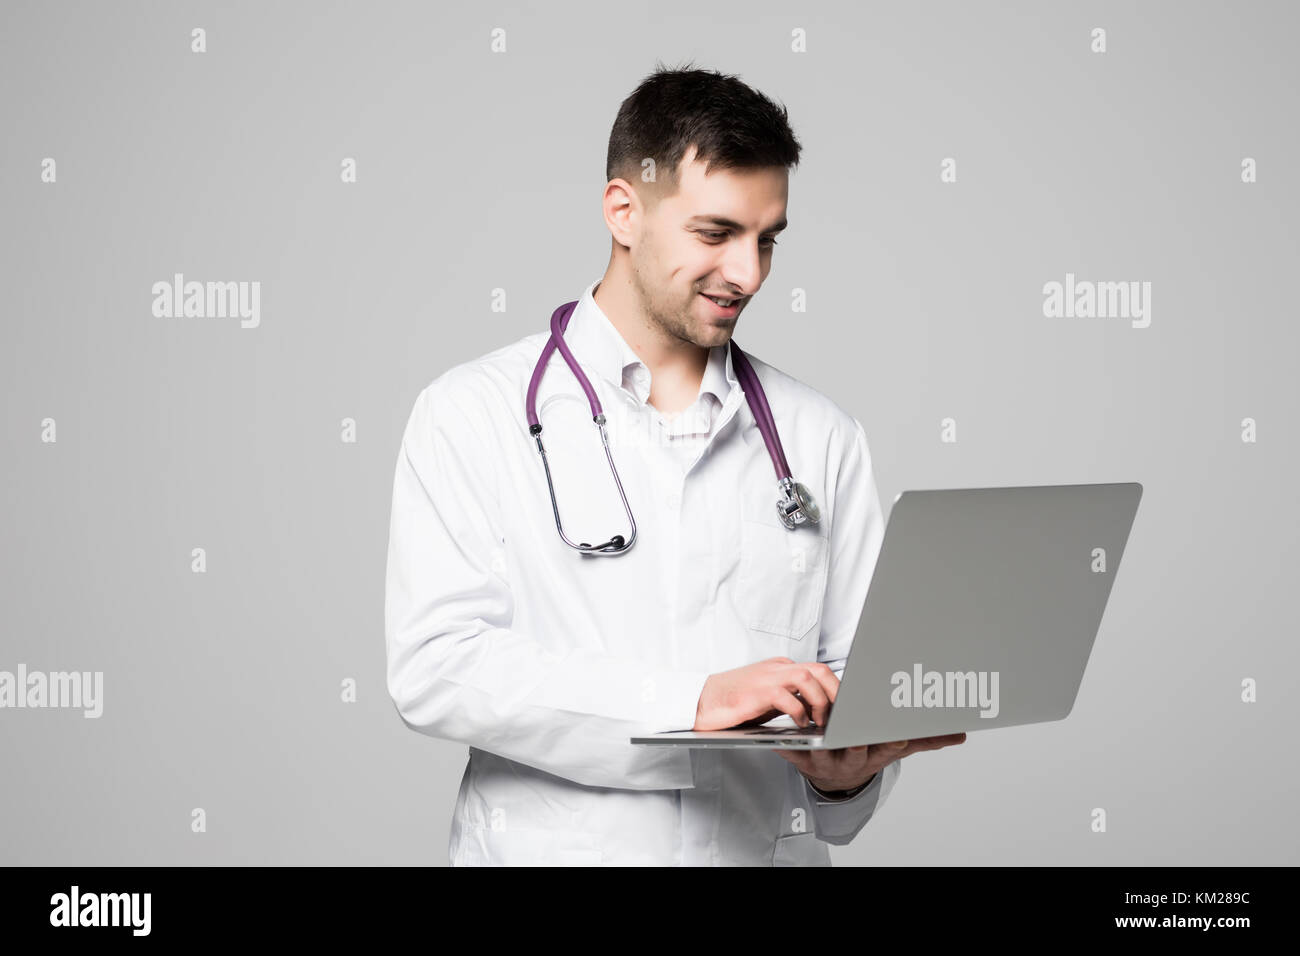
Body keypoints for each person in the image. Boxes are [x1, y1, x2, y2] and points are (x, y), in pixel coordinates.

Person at [384, 63, 966, 866]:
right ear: (624, 210)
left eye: (767, 240)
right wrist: (690, 702)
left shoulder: (818, 435)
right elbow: (436, 666)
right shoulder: (470, 413)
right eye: (716, 233)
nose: (749, 274)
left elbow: (850, 682)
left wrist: (844, 779)